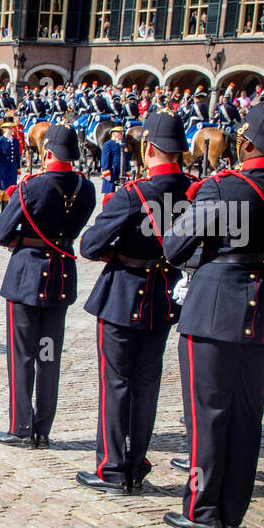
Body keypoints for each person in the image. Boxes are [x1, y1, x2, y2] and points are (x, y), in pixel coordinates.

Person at [161, 103, 264, 528]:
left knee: (207, 415)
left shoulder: (225, 187)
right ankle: (232, 512)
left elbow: (174, 246)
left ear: (247, 143)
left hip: (215, 308)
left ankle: (201, 509)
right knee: (247, 416)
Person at [76, 112, 192, 494]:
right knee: (146, 384)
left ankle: (112, 467)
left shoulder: (133, 194)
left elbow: (90, 246)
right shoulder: (196, 192)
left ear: (149, 149)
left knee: (117, 384)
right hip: (163, 297)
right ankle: (136, 461)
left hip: (124, 294)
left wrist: (116, 250)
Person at [0, 125, 96, 449]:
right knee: (48, 355)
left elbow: (1, 233)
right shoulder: (87, 188)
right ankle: (42, 428)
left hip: (26, 279)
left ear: (47, 152)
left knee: (22, 355)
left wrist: (20, 240)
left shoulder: (31, 187)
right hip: (60, 278)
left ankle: (21, 427)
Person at [0, 119, 22, 219]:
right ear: (4, 129)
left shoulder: (16, 141)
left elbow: (17, 157)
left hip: (11, 170)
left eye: (12, 127)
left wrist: (18, 170)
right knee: (0, 191)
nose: (10, 129)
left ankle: (4, 213)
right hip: (2, 169)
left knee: (8, 192)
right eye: (8, 128)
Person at [100, 125, 125, 202]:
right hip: (112, 170)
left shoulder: (123, 144)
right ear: (113, 133)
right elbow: (105, 158)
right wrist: (106, 171)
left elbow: (126, 158)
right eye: (119, 133)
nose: (122, 134)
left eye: (122, 132)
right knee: (110, 192)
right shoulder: (108, 144)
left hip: (121, 171)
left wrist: (127, 170)